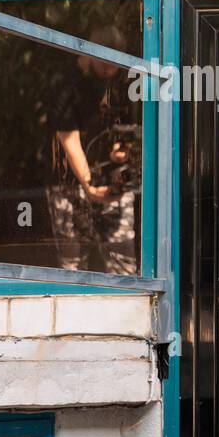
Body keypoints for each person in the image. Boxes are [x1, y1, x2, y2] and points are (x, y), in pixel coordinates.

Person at [47, 25, 140, 275]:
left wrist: (122, 152)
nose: (111, 71)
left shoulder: (121, 83)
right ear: (90, 53)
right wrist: (88, 184)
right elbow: (68, 137)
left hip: (110, 180)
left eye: (116, 65)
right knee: (73, 267)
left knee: (124, 264)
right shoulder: (66, 83)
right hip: (69, 183)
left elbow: (124, 127)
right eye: (106, 64)